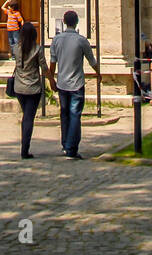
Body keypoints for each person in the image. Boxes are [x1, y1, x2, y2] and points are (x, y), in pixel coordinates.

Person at [49, 10, 98, 160]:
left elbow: (52, 62)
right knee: (75, 114)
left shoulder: (56, 40)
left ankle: (65, 144)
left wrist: (51, 79)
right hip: (76, 84)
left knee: (64, 114)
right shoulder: (81, 40)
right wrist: (99, 73)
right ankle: (71, 147)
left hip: (62, 83)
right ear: (77, 22)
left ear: (64, 22)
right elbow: (92, 61)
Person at [12, 20, 51, 159]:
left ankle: (24, 147)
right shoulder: (37, 49)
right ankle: (24, 149)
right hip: (33, 87)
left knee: (26, 116)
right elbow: (44, 68)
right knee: (29, 117)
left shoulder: (15, 48)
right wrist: (52, 81)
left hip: (19, 87)